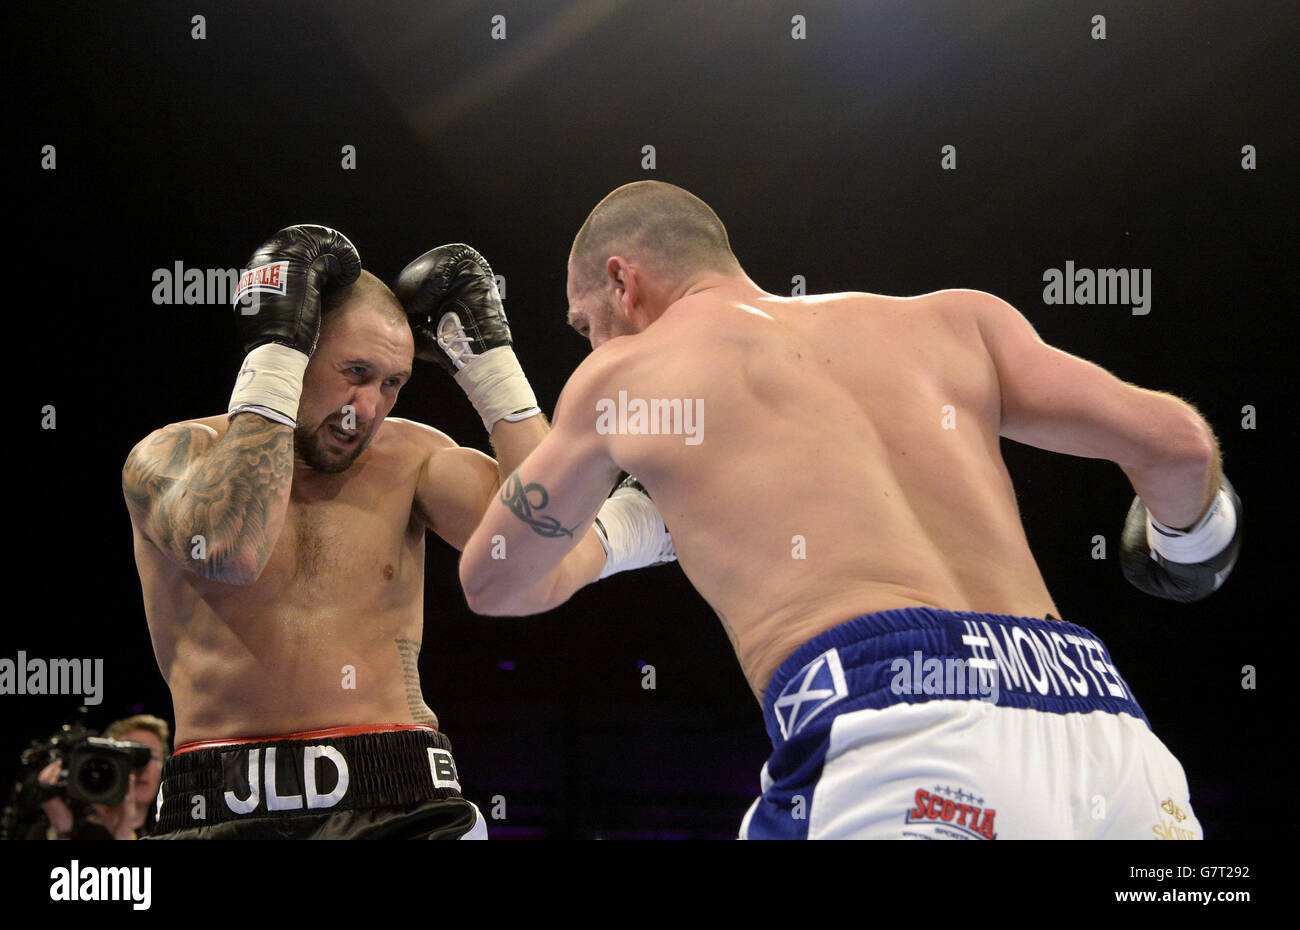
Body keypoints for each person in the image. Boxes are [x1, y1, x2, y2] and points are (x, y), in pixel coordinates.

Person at [457, 181, 1242, 839]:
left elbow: (498, 581)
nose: (594, 347)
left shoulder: (628, 372)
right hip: (1109, 732)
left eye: (586, 324)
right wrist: (1186, 546)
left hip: (902, 740)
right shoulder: (957, 321)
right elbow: (1180, 447)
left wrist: (624, 522)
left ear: (623, 283)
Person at [122, 226, 671, 839]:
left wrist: (490, 368)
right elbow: (231, 547)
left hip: (404, 799)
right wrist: (275, 351)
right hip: (220, 804)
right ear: (296, 350)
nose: (370, 406)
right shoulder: (174, 454)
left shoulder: (410, 458)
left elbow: (548, 539)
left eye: (392, 383)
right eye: (355, 372)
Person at [32, 714, 169, 840]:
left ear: (165, 766)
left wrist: (124, 834)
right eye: (129, 755)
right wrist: (62, 832)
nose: (140, 767)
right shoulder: (63, 824)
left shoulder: (172, 832)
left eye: (150, 757)